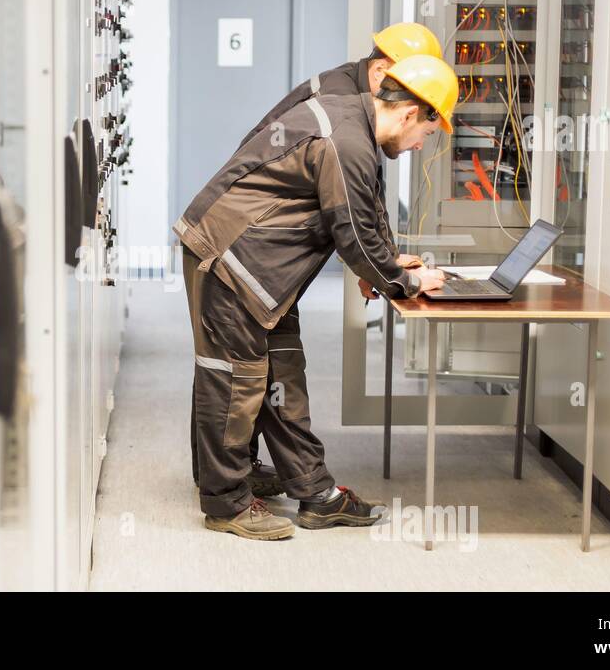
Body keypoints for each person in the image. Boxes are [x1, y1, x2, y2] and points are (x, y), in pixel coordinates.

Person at [176, 55, 457, 539]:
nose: (418, 146)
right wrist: (402, 280)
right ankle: (225, 502)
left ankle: (314, 493)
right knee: (236, 380)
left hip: (264, 270)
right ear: (411, 113)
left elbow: (363, 210)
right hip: (228, 258)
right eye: (426, 135)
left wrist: (387, 264)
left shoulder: (356, 129)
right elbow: (351, 227)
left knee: (281, 373)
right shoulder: (346, 139)